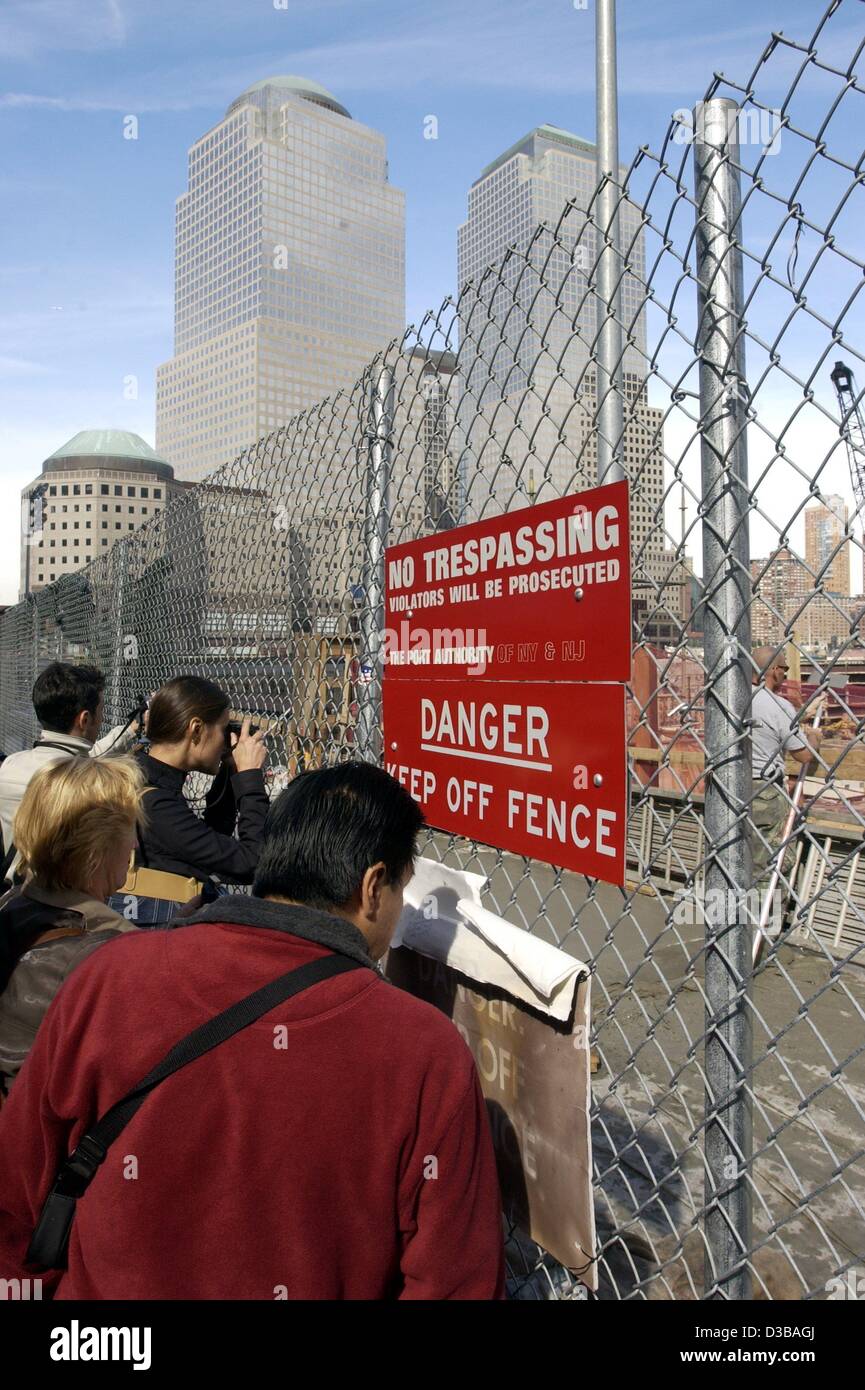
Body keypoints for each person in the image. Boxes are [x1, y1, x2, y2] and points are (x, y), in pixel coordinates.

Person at [0, 762, 505, 1299]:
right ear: (373, 887)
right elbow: (457, 1280)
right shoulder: (425, 1052)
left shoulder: (109, 977)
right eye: (401, 889)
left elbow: (16, 1190)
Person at [0, 755, 145, 1096]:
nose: (135, 844)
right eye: (130, 830)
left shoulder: (9, 906)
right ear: (99, 847)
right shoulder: (118, 955)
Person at [113, 675, 269, 925]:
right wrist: (250, 778)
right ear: (196, 729)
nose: (225, 741)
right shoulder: (156, 804)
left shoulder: (141, 776)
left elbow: (207, 845)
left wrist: (230, 769)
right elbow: (254, 862)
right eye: (222, 729)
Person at [0, 663, 141, 877]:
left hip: (13, 898)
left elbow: (87, 755)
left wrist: (131, 729)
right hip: (63, 900)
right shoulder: (91, 785)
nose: (101, 719)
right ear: (84, 719)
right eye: (101, 712)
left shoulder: (10, 765)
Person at [750, 646, 822, 892]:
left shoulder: (734, 698)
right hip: (764, 791)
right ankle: (765, 920)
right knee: (768, 861)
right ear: (772, 670)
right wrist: (814, 738)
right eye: (784, 668)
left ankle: (733, 917)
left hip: (733, 787)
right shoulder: (779, 706)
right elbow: (802, 755)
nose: (785, 675)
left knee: (739, 854)